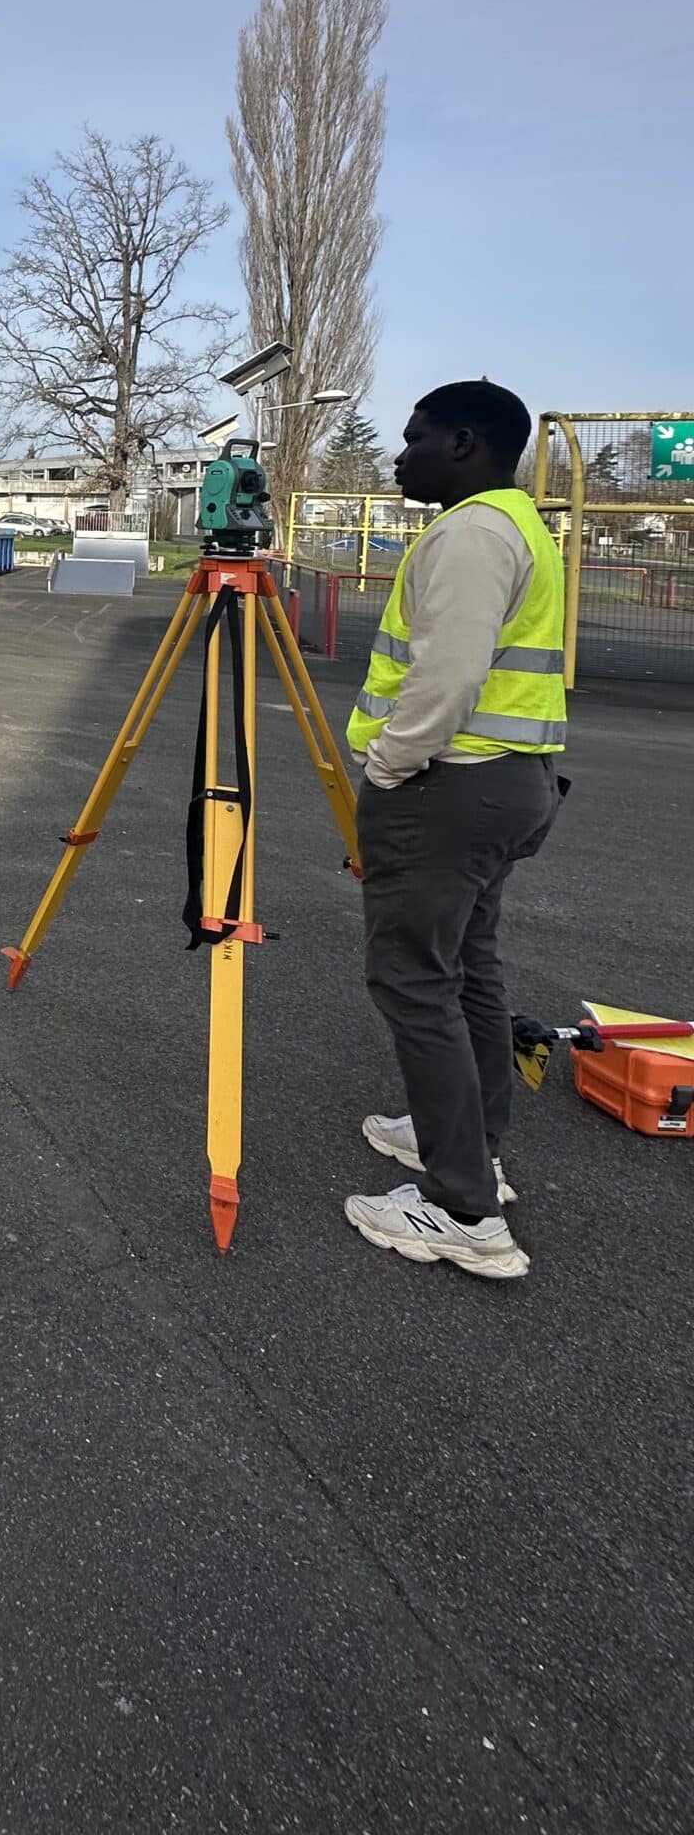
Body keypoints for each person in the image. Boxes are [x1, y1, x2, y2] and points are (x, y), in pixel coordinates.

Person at [343, 380, 567, 1280]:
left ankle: (463, 1208)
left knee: (412, 979)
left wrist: (392, 766)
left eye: (416, 438)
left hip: (451, 783)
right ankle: (474, 1141)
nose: (400, 456)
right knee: (469, 967)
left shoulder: (472, 533)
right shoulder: (516, 525)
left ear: (464, 443)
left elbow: (449, 673)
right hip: (504, 783)